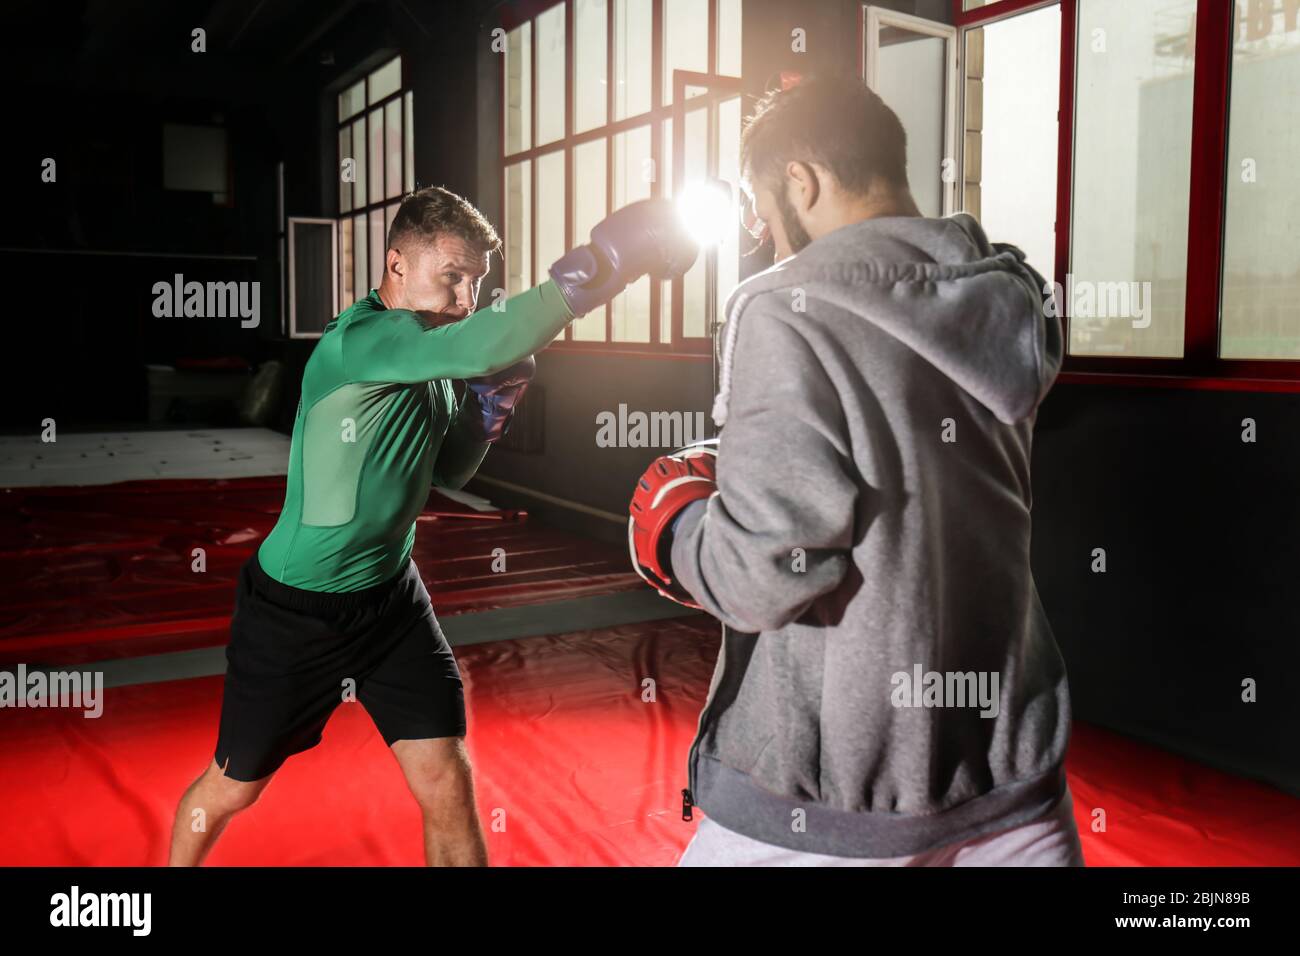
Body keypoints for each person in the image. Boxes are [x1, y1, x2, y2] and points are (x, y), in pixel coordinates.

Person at [628, 75, 1084, 866]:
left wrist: (679, 526)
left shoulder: (781, 308)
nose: (766, 237)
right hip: (1013, 785)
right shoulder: (1008, 296)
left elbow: (761, 576)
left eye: (767, 213)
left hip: (829, 799)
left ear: (802, 181)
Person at [170, 186, 696, 866]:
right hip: (296, 613)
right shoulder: (361, 341)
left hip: (391, 602)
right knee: (234, 787)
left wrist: (482, 418)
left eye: (475, 282)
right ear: (396, 264)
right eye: (451, 277)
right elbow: (488, 342)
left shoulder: (433, 356)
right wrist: (602, 264)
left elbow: (447, 472)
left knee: (446, 776)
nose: (464, 299)